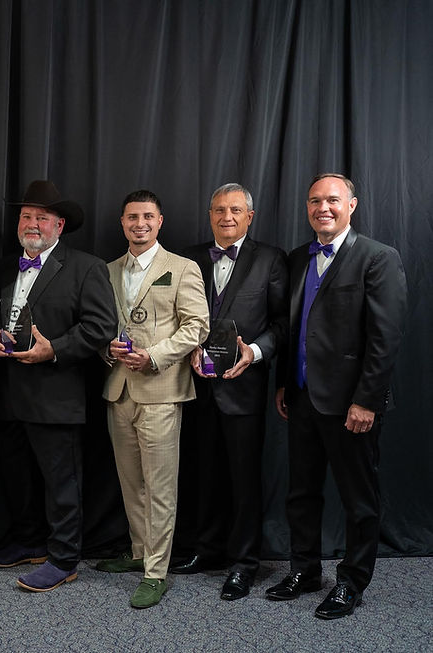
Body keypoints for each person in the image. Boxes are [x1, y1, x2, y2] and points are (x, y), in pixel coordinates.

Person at [268, 173, 407, 619]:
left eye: (332, 200)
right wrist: (285, 382)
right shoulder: (297, 258)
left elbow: (384, 339)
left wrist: (367, 400)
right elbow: (294, 329)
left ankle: (351, 582)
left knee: (358, 500)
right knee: (301, 493)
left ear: (352, 205)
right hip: (303, 397)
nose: (322, 208)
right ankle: (304, 570)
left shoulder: (378, 258)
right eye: (314, 201)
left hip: (351, 404)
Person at [0, 180, 116, 592]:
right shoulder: (4, 266)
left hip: (56, 394)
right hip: (8, 392)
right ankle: (30, 542)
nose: (32, 223)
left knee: (62, 483)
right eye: (26, 216)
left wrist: (53, 349)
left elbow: (101, 327)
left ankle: (63, 558)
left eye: (42, 217)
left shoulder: (86, 267)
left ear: (59, 225)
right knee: (18, 476)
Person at [174, 183, 288, 600]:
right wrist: (186, 347)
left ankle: (244, 563)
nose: (227, 217)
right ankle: (206, 550)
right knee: (203, 474)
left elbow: (282, 323)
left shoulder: (271, 259)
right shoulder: (188, 257)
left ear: (249, 216)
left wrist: (254, 352)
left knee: (244, 481)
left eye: (235, 210)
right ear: (210, 215)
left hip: (244, 388)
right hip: (196, 385)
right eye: (219, 210)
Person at [96, 189, 209, 608]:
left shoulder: (182, 268)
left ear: (160, 221)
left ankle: (156, 572)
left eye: (147, 217)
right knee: (131, 482)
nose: (139, 224)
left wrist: (156, 356)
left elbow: (197, 325)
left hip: (161, 390)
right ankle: (140, 551)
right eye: (132, 217)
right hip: (119, 389)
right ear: (122, 223)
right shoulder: (107, 270)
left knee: (160, 486)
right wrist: (107, 349)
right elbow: (98, 325)